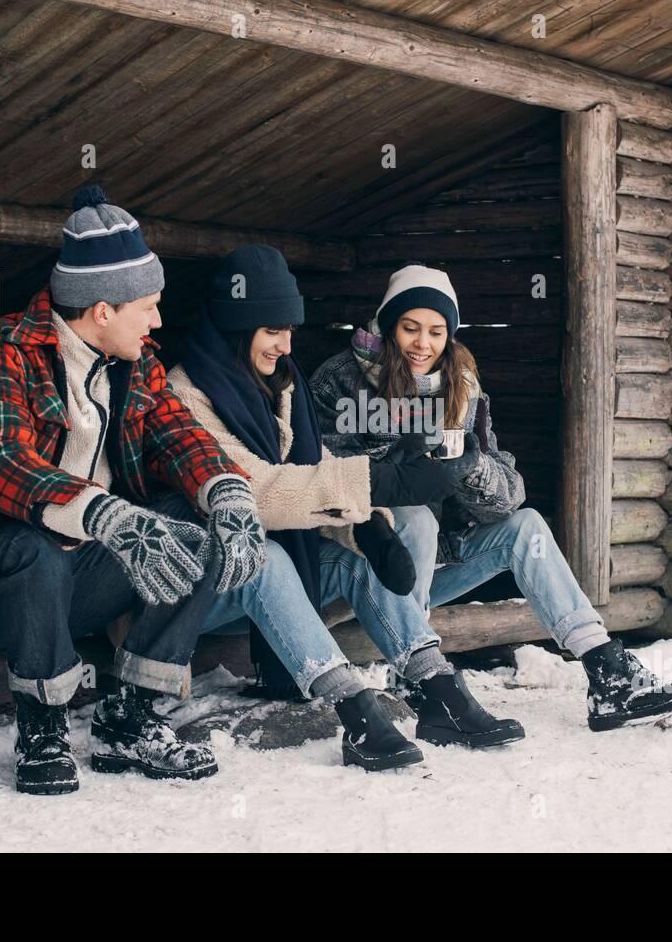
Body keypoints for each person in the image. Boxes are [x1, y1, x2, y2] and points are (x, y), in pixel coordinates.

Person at [0, 186, 266, 795]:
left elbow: (179, 434)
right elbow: (1, 467)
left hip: (80, 583)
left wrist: (229, 495)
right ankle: (42, 730)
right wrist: (111, 517)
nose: (157, 321)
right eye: (147, 306)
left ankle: (132, 719)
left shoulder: (137, 361)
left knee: (194, 523)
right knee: (30, 545)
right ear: (102, 310)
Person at [163, 245, 525, 771]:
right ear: (237, 326)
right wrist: (387, 481)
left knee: (362, 561)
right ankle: (352, 707)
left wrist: (368, 531)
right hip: (199, 584)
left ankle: (436, 687)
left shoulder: (279, 387)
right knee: (268, 554)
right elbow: (257, 491)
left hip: (278, 569)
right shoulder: (186, 392)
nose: (287, 345)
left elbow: (315, 464)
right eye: (272, 331)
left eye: (290, 329)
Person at [309, 262, 672, 731]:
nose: (422, 343)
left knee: (527, 526)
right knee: (415, 517)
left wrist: (469, 467)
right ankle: (417, 675)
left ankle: (606, 669)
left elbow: (507, 498)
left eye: (436, 332)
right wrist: (394, 451)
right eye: (410, 327)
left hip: (438, 562)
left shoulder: (462, 386)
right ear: (389, 325)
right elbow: (313, 471)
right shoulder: (340, 378)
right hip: (367, 567)